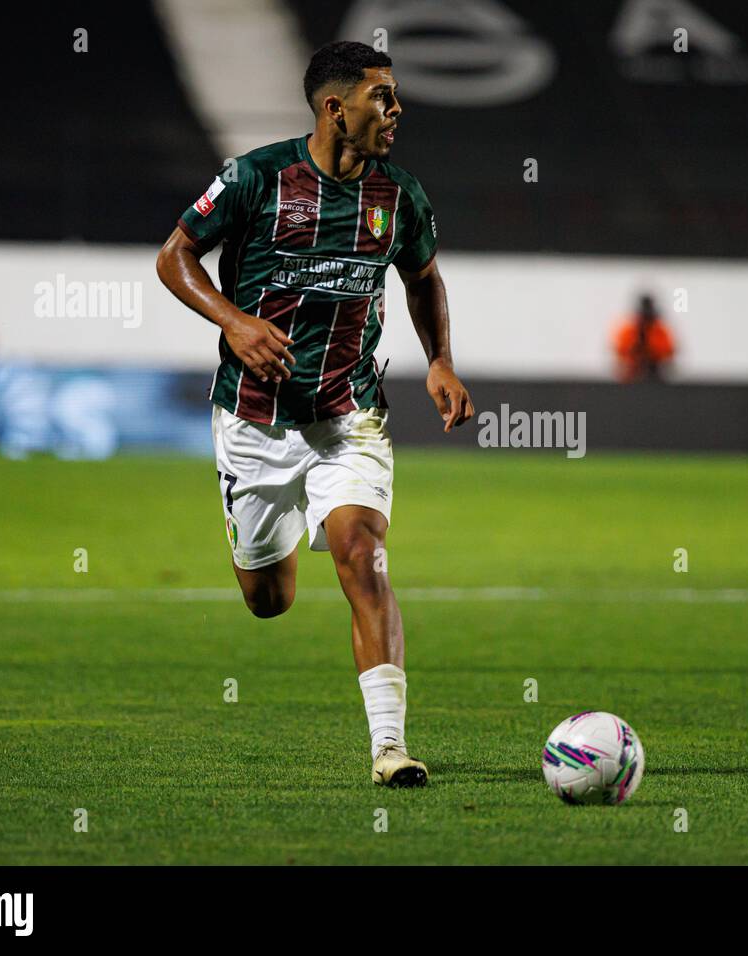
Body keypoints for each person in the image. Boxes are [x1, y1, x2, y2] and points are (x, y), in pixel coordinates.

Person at [156, 41, 473, 788]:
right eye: (381, 98)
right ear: (336, 108)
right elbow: (175, 257)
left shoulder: (399, 195)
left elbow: (423, 280)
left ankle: (390, 748)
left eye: (394, 97)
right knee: (269, 600)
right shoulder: (255, 177)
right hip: (255, 421)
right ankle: (268, 538)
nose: (395, 112)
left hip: (349, 414)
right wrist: (234, 322)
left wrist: (440, 359)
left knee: (363, 557)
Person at [612, 294, 676, 382]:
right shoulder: (629, 330)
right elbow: (620, 351)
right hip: (631, 373)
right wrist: (635, 350)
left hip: (655, 373)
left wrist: (651, 352)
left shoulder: (659, 330)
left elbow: (668, 352)